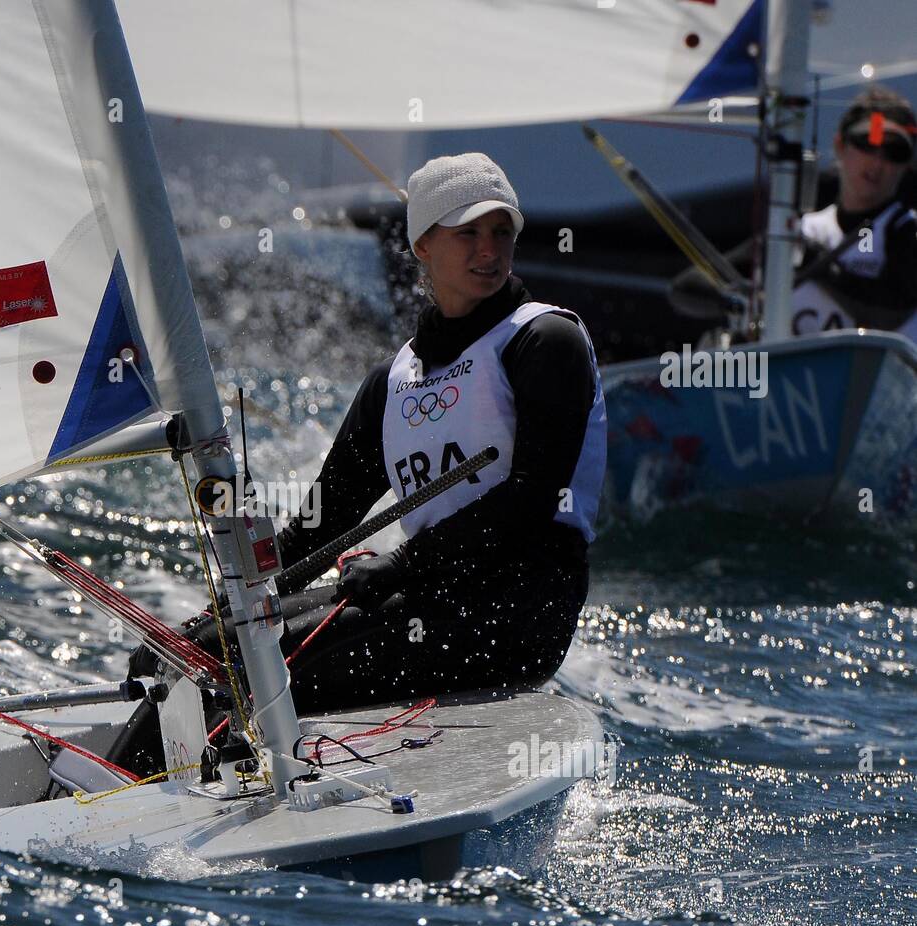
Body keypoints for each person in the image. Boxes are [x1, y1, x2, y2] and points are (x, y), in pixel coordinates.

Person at [116, 152, 606, 775]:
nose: (490, 250)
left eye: (501, 231)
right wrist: (218, 615)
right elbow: (323, 526)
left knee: (248, 681)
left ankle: (148, 809)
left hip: (514, 611)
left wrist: (402, 562)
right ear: (422, 245)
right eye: (468, 233)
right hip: (425, 594)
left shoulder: (545, 342)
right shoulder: (394, 382)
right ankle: (97, 789)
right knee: (196, 657)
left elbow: (534, 498)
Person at [671, 85, 917, 338]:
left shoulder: (906, 230)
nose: (877, 162)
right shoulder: (800, 234)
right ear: (840, 145)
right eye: (866, 145)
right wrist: (738, 303)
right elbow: (685, 288)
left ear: (908, 165)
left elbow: (891, 311)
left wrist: (819, 266)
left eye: (894, 153)